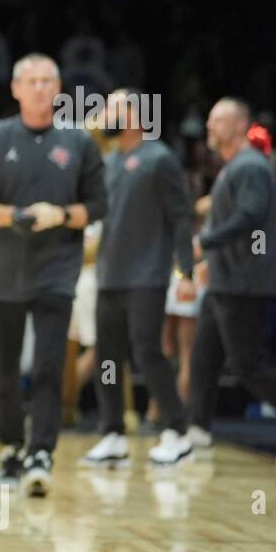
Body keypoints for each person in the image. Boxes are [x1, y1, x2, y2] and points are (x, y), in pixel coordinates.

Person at [0, 52, 107, 495]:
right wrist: (16, 216)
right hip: (4, 273)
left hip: (56, 274)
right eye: (32, 80)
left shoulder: (79, 142)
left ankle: (42, 452)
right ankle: (10, 449)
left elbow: (99, 207)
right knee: (4, 369)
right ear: (16, 89)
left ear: (59, 89)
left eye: (48, 80)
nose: (41, 88)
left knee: (48, 366)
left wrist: (59, 214)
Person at [157, 97, 276, 466]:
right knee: (205, 359)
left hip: (245, 283)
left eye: (216, 121)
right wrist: (207, 259)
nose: (208, 127)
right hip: (225, 282)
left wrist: (202, 244)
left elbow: (250, 216)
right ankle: (197, 432)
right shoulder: (232, 168)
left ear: (239, 126)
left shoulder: (251, 166)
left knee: (248, 365)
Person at [81, 89, 195, 466]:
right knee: (108, 358)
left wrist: (186, 272)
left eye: (113, 107)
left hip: (147, 274)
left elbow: (181, 218)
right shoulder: (110, 161)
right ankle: (113, 431)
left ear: (135, 114)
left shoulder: (159, 159)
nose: (105, 114)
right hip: (110, 274)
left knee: (147, 351)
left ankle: (178, 430)